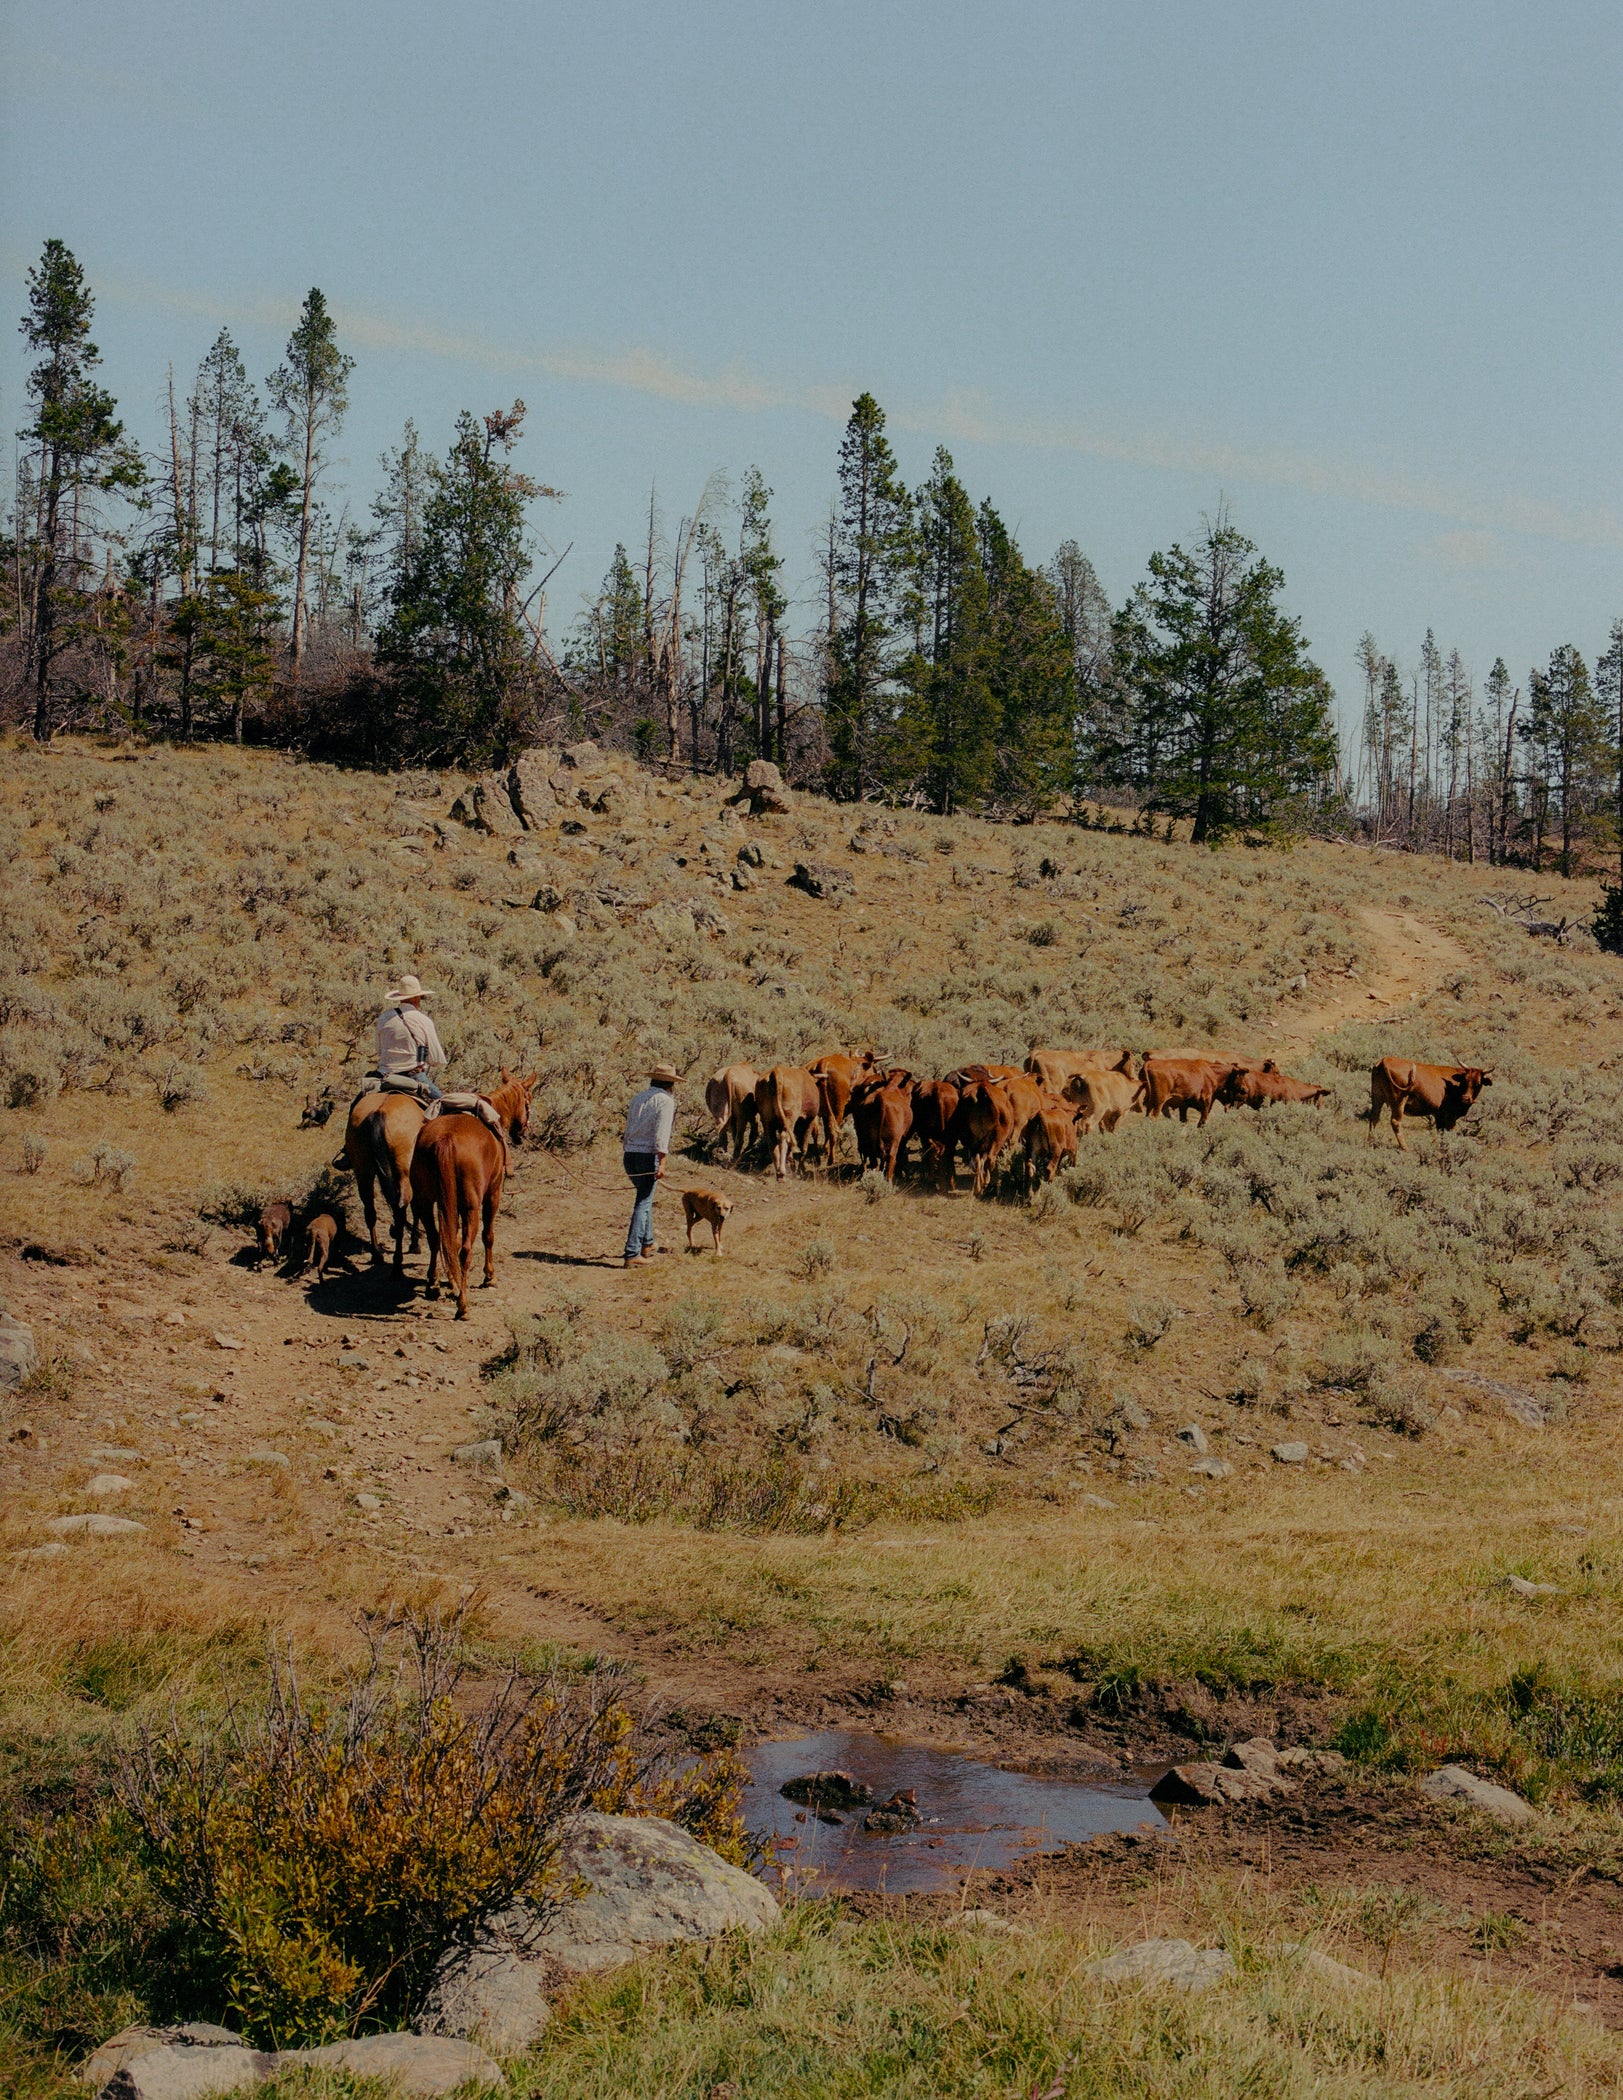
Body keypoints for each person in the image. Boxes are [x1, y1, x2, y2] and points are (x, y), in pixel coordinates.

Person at [622, 1062, 679, 1268]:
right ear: (671, 1084)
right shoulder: (666, 1101)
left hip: (630, 1155)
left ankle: (648, 1243)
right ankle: (632, 1252)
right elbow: (662, 1133)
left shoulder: (638, 1097)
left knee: (644, 1198)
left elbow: (629, 1127)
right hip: (648, 1156)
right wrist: (662, 1161)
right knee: (643, 1202)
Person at [374, 974, 446, 1100]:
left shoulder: (384, 1018)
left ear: (400, 998)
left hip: (384, 1076)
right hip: (413, 1076)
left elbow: (379, 1050)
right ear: (417, 998)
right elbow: (437, 1059)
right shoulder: (424, 1021)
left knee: (356, 1104)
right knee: (443, 1104)